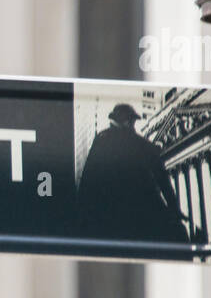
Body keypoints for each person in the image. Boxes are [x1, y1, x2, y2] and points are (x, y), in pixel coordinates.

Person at [77, 103, 188, 243]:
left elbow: (88, 179)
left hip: (109, 215)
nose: (132, 124)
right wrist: (174, 209)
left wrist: (82, 214)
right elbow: (163, 180)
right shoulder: (142, 144)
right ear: (127, 121)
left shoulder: (102, 140)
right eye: (131, 120)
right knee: (176, 236)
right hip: (142, 212)